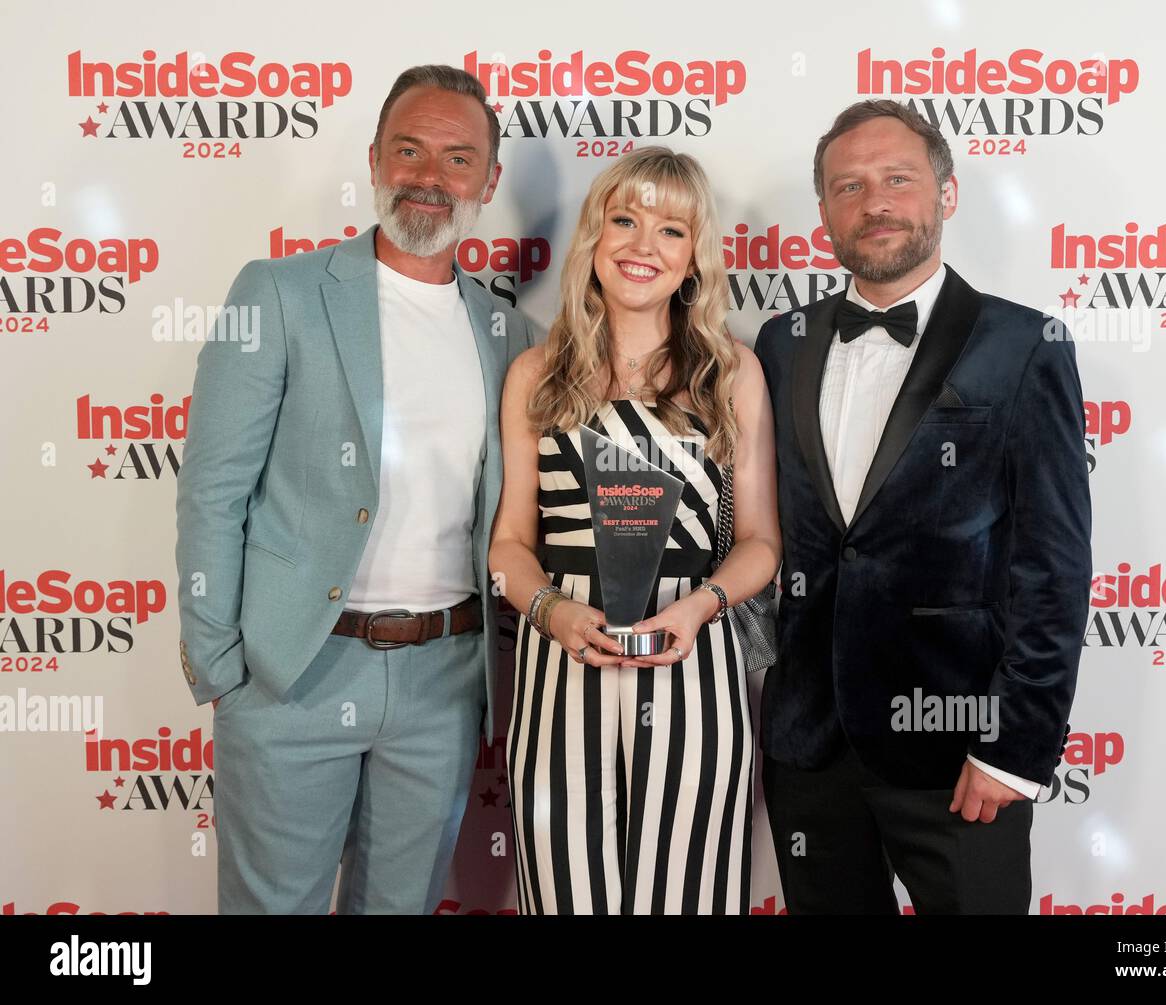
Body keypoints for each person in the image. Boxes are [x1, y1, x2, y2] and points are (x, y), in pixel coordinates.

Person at [175, 65, 538, 914]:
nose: (428, 176)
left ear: (487, 181)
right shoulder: (280, 293)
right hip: (293, 671)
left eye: (457, 158)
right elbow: (211, 491)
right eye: (409, 150)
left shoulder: (510, 332)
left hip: (444, 683)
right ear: (375, 159)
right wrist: (224, 667)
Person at [755, 99, 1091, 914]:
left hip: (961, 753)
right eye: (849, 186)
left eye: (897, 179)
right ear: (826, 208)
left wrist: (1015, 749)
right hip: (811, 751)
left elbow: (1053, 566)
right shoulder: (780, 341)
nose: (874, 202)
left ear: (945, 193)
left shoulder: (1023, 345)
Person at [488, 146, 781, 914]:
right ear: (594, 237)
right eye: (624, 219)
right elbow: (510, 545)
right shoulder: (537, 376)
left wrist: (698, 607)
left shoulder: (732, 373)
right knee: (564, 897)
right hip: (562, 671)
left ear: (694, 260)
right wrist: (551, 610)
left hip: (696, 664)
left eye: (671, 230)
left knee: (686, 897)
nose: (643, 245)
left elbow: (761, 543)